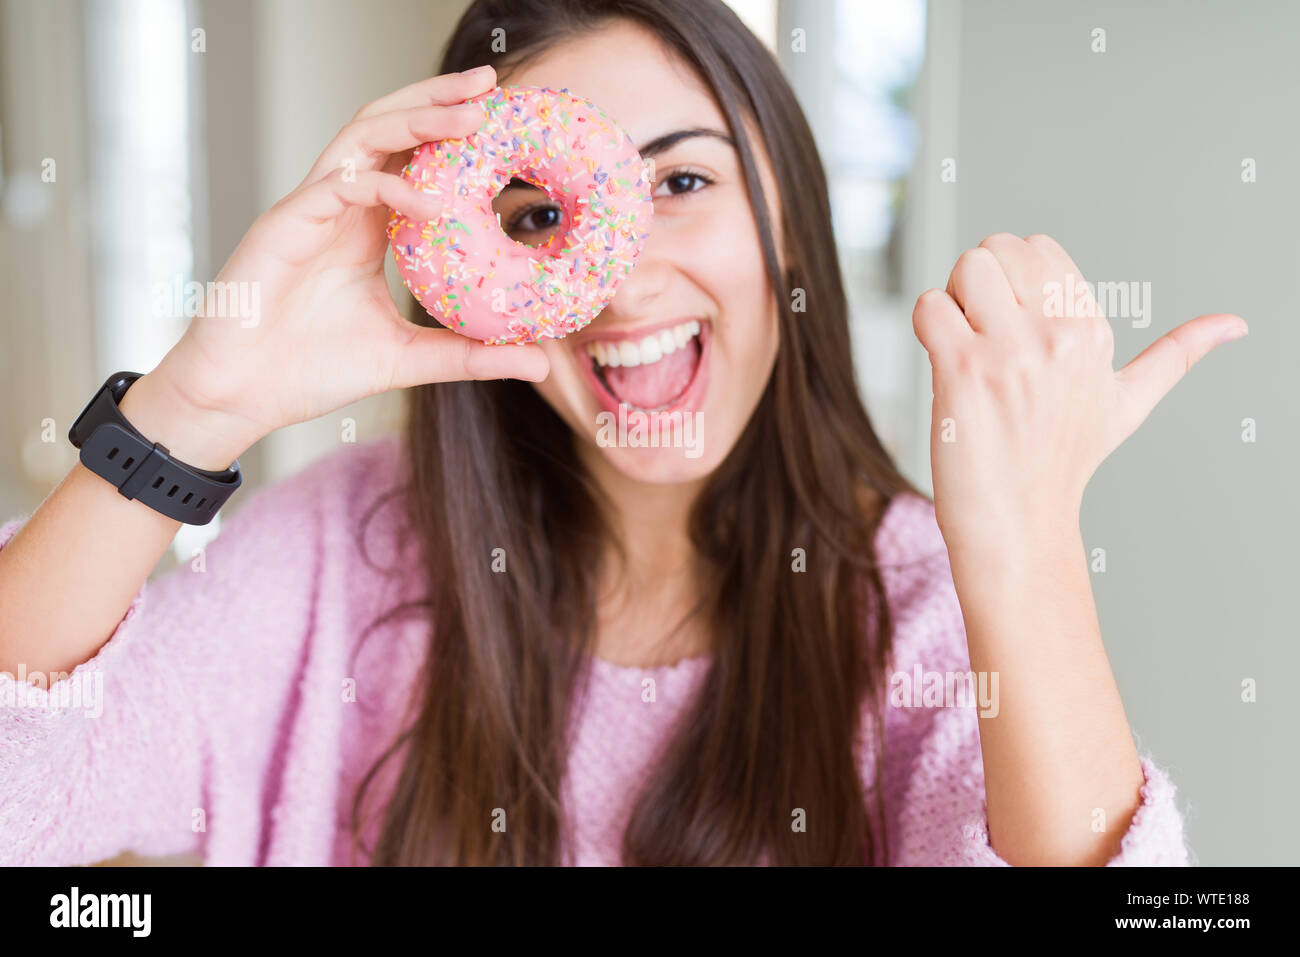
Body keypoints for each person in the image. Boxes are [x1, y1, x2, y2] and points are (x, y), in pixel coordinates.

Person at [0, 0, 1240, 866]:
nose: (620, 277)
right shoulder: (348, 549)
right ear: (456, 271)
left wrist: (1021, 547)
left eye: (683, 183)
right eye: (536, 214)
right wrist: (190, 411)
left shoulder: (921, 610)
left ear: (788, 224)